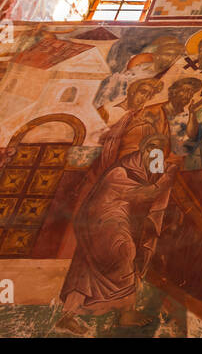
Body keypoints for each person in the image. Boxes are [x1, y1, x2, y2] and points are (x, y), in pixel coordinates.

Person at [57, 77, 183, 333]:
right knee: (125, 253)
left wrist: (168, 169)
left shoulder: (148, 161)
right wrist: (169, 176)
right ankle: (122, 313)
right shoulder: (120, 173)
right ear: (143, 150)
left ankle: (73, 314)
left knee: (92, 264)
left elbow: (158, 176)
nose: (156, 156)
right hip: (102, 219)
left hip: (121, 217)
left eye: (160, 151)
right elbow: (149, 192)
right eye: (153, 150)